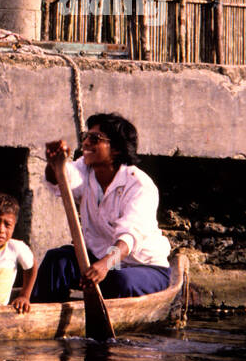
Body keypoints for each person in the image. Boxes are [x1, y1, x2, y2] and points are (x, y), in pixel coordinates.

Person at [32, 113, 173, 302]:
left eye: (95, 139)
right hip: (97, 258)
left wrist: (106, 264)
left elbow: (129, 237)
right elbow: (61, 180)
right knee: (56, 260)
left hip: (139, 265)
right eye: (86, 137)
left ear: (115, 149)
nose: (86, 143)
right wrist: (54, 164)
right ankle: (44, 314)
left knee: (120, 281)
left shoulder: (139, 185)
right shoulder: (85, 168)